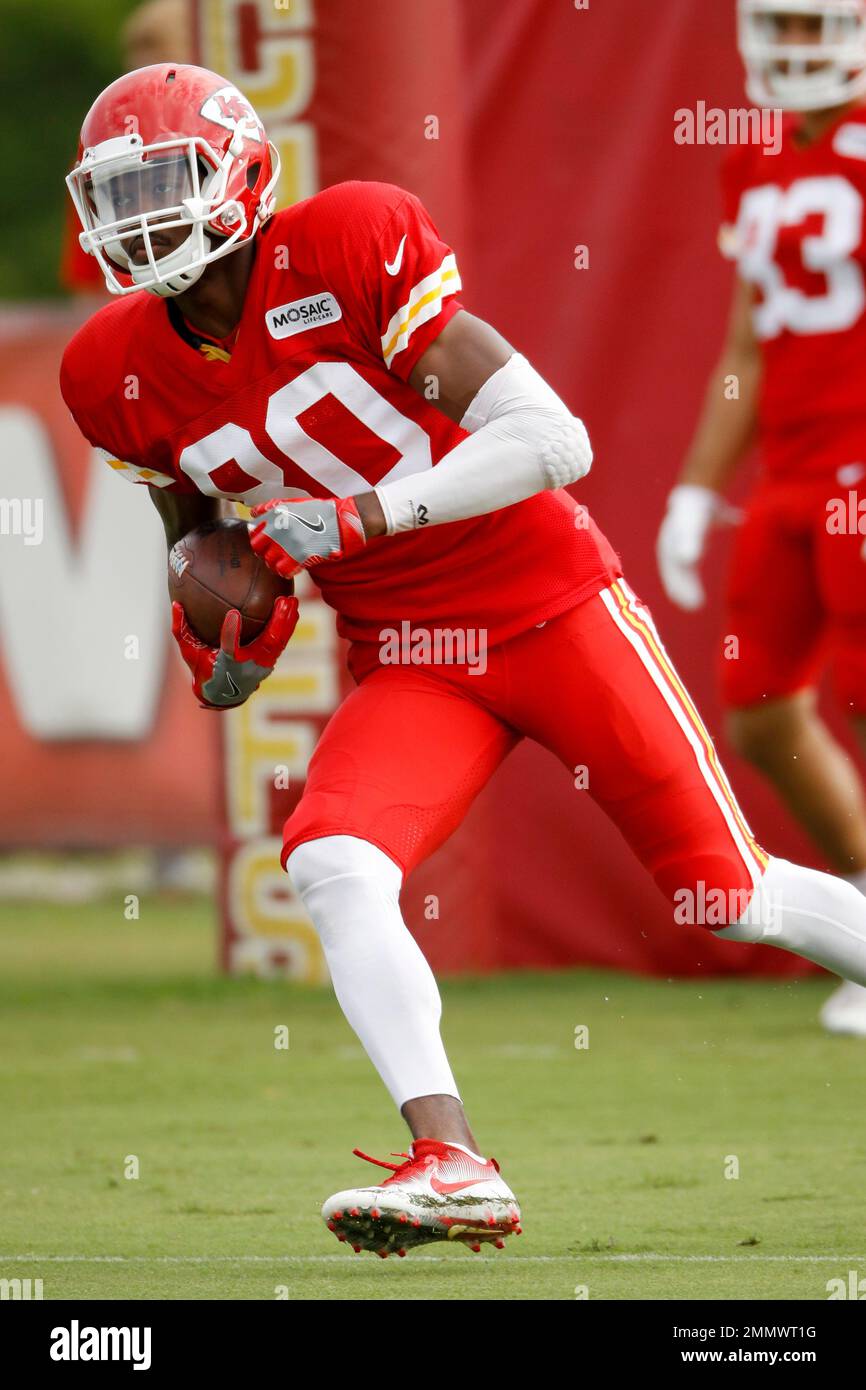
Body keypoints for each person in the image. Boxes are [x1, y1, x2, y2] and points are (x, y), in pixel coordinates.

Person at [62, 62, 866, 1258]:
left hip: (551, 607)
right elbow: (203, 547)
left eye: (166, 182)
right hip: (412, 658)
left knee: (729, 893)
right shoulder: (110, 372)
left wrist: (369, 517)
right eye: (118, 194)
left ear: (237, 173)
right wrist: (220, 646)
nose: (142, 217)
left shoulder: (342, 244)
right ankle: (452, 1157)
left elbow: (553, 436)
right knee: (333, 859)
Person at [658, 0, 866, 1037]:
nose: (793, 48)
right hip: (788, 464)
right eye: (777, 25)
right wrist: (698, 486)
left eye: (812, 26)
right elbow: (746, 339)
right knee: (757, 707)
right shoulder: (749, 153)